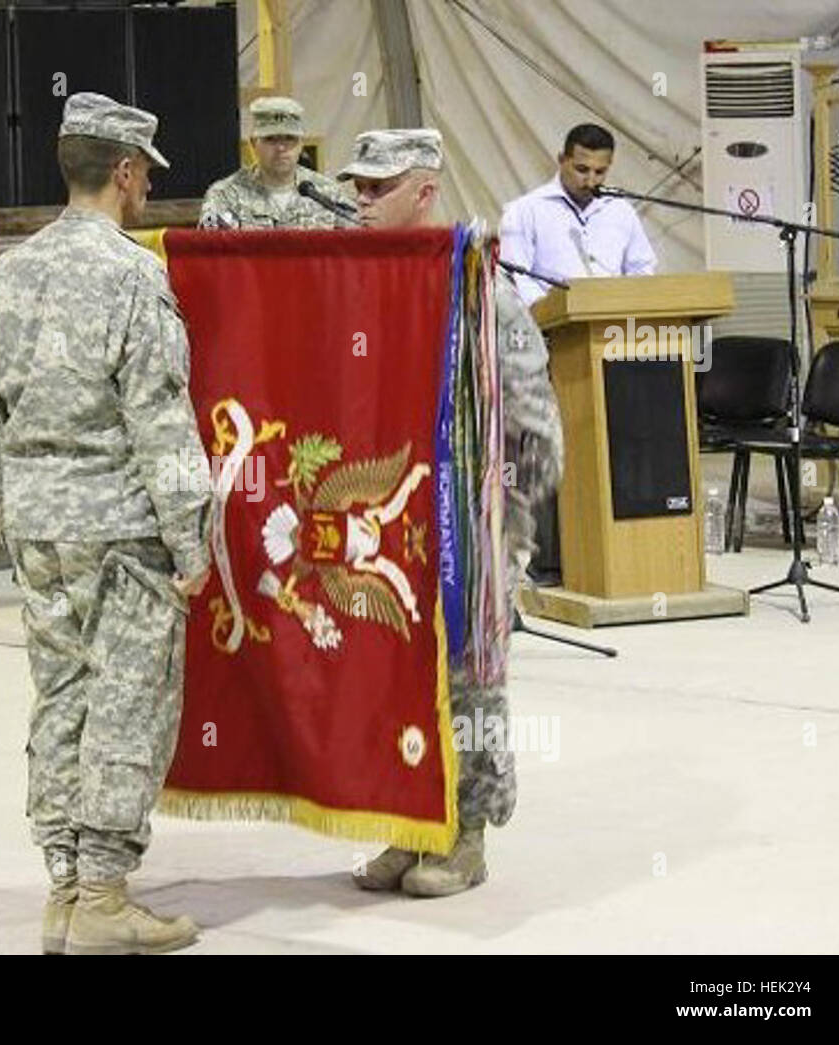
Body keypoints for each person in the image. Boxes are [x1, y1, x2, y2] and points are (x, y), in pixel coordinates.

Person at [0, 92, 212, 955]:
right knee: (126, 705)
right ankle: (105, 895)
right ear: (123, 172)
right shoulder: (132, 275)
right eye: (146, 173)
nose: (146, 187)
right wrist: (193, 537)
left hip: (40, 529)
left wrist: (16, 521)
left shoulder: (3, 274)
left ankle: (64, 890)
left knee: (60, 700)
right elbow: (161, 419)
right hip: (120, 528)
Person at [336, 128, 564, 896]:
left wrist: (509, 532)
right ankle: (407, 822)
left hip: (466, 522)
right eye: (358, 188)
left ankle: (465, 833)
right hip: (386, 525)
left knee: (467, 682)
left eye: (379, 188)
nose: (361, 202)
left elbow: (535, 423)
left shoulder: (479, 290)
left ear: (425, 190)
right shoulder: (364, 287)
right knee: (388, 677)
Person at [500, 122, 657, 305]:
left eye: (600, 172)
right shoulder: (526, 210)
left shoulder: (620, 209)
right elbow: (515, 278)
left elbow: (642, 268)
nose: (590, 181)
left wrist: (622, 303)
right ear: (561, 160)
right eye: (582, 169)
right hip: (552, 327)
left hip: (611, 325)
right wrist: (552, 310)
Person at [199, 95, 346, 229]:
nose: (281, 147)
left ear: (301, 144)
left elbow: (354, 249)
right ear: (253, 143)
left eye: (289, 138)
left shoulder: (327, 194)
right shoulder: (226, 195)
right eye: (271, 139)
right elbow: (214, 253)